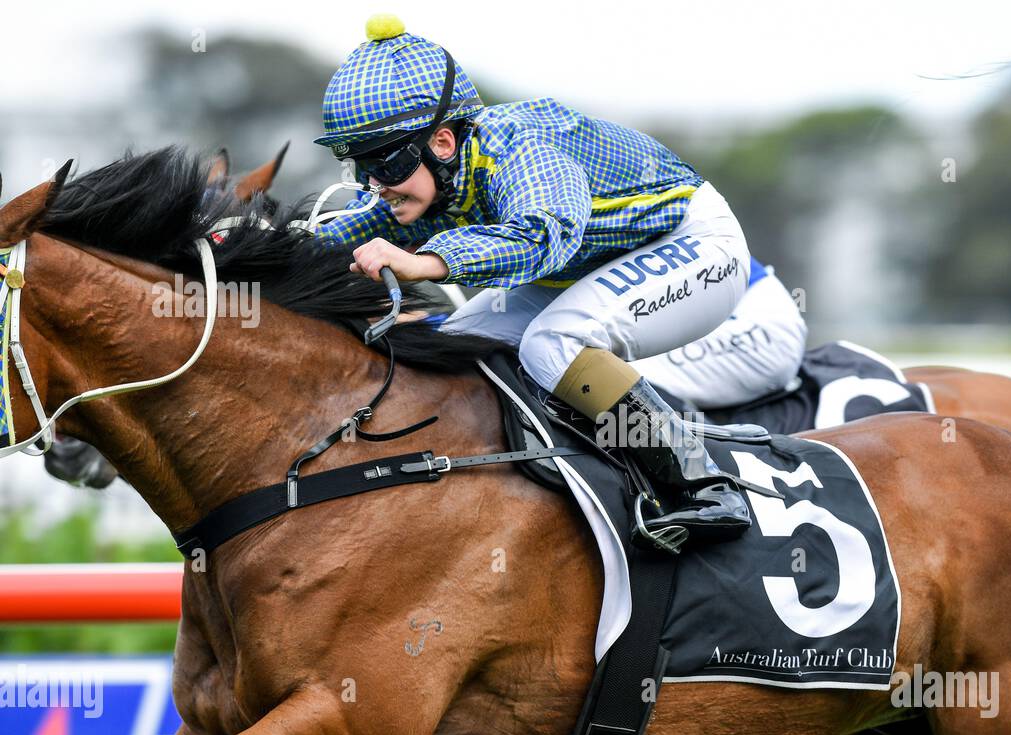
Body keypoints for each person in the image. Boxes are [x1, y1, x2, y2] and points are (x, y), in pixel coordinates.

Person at [312, 15, 811, 547]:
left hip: (692, 245)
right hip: (592, 265)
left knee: (552, 344)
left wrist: (429, 261)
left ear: (441, 141)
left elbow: (543, 236)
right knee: (450, 349)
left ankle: (704, 488)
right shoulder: (422, 180)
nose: (374, 185)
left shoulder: (520, 146)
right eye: (361, 166)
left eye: (384, 164)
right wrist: (238, 248)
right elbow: (329, 239)